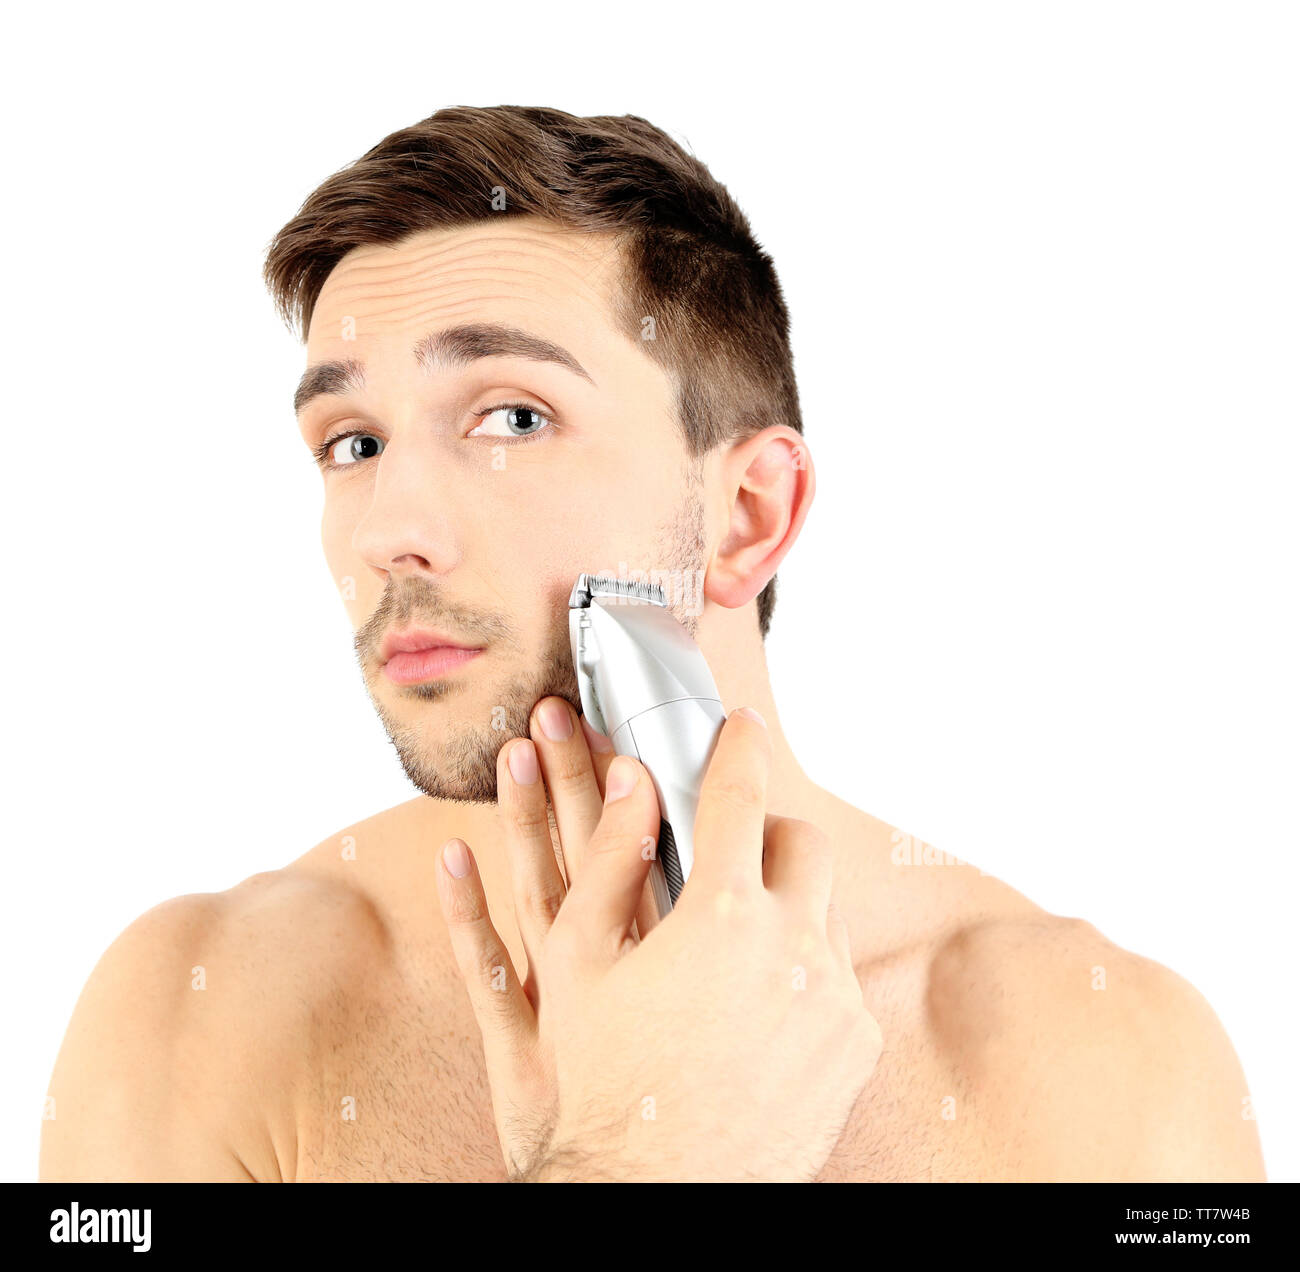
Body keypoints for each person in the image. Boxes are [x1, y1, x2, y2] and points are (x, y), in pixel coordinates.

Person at [40, 106, 1265, 1182]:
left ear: (748, 516)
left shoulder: (1108, 1062)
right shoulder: (191, 1018)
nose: (389, 533)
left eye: (510, 415)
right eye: (352, 442)